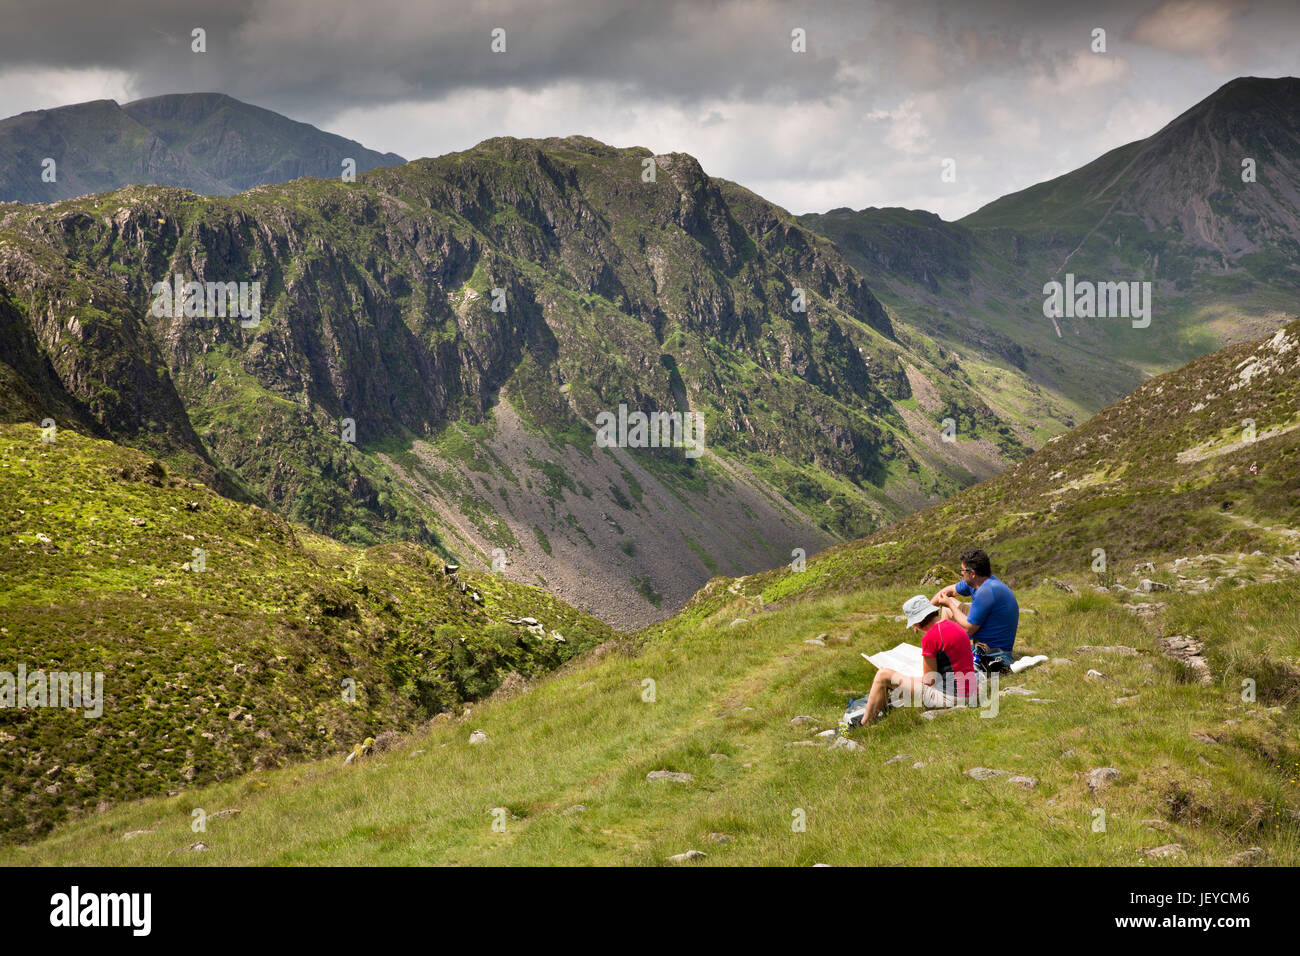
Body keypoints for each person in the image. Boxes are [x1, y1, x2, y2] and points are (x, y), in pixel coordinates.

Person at [860, 595, 980, 725]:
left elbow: (930, 680)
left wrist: (907, 677)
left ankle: (865, 723)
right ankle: (880, 714)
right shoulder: (955, 626)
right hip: (970, 690)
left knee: (883, 675)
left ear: (918, 621)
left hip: (952, 697)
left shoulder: (930, 637)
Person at [930, 547, 1019, 670]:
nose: (961, 573)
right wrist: (926, 613)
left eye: (962, 570)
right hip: (983, 639)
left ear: (972, 573)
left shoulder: (986, 591)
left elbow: (969, 629)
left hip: (992, 655)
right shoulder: (980, 582)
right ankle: (940, 646)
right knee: (948, 607)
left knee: (940, 667)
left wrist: (949, 604)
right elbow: (947, 591)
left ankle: (940, 648)